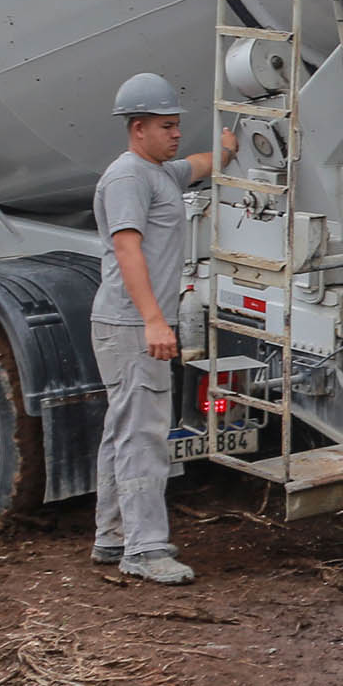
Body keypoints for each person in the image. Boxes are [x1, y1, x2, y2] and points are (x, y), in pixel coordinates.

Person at [90, 72, 234, 584]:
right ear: (138, 128)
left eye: (177, 126)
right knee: (143, 434)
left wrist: (229, 148)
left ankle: (112, 536)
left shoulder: (158, 173)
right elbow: (128, 249)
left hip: (127, 322)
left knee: (121, 431)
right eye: (167, 126)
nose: (176, 134)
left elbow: (196, 166)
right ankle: (145, 549)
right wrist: (155, 319)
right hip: (131, 324)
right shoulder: (128, 178)